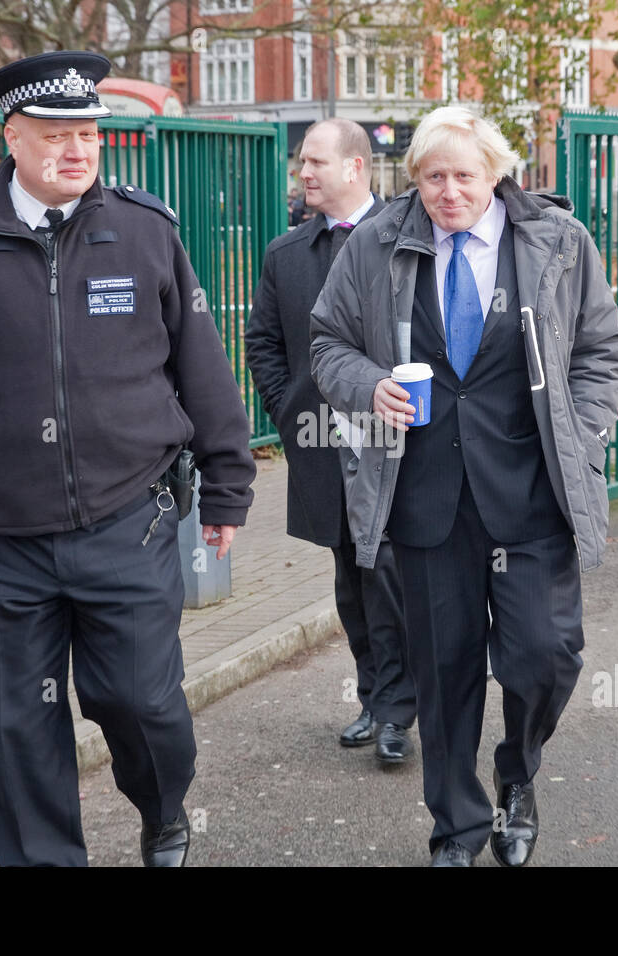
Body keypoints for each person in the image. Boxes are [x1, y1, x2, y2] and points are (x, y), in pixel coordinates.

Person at [0, 51, 256, 866]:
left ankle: (162, 805)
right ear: (11, 137)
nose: (76, 149)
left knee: (141, 705)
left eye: (88, 133)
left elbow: (203, 369)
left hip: (127, 526)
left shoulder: (143, 232)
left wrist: (228, 486)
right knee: (21, 735)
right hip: (3, 545)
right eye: (54, 134)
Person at [310, 106, 618, 866]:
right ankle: (456, 825)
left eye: (464, 176)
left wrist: (581, 436)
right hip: (424, 498)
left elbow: (600, 347)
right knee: (444, 671)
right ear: (412, 178)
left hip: (529, 491)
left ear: (496, 175)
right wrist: (367, 387)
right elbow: (327, 342)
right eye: (432, 177)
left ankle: (518, 776)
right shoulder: (377, 245)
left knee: (545, 656)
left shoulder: (556, 240)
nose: (447, 193)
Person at [245, 118, 417, 765]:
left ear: (355, 167)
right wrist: (287, 413)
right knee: (350, 581)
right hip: (321, 447)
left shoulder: (408, 242)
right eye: (300, 163)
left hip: (395, 447)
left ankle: (400, 709)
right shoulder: (286, 254)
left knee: (391, 577)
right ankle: (374, 697)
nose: (304, 174)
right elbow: (263, 341)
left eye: (316, 161)